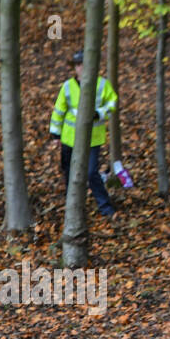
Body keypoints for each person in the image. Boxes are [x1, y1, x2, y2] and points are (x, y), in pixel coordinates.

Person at [49, 50, 117, 218]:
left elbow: (113, 103)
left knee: (91, 172)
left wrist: (98, 113)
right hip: (69, 138)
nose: (80, 68)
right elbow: (59, 111)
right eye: (78, 65)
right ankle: (72, 205)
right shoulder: (67, 86)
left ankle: (105, 207)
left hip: (93, 138)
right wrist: (55, 135)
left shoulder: (102, 84)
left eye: (83, 64)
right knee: (69, 171)